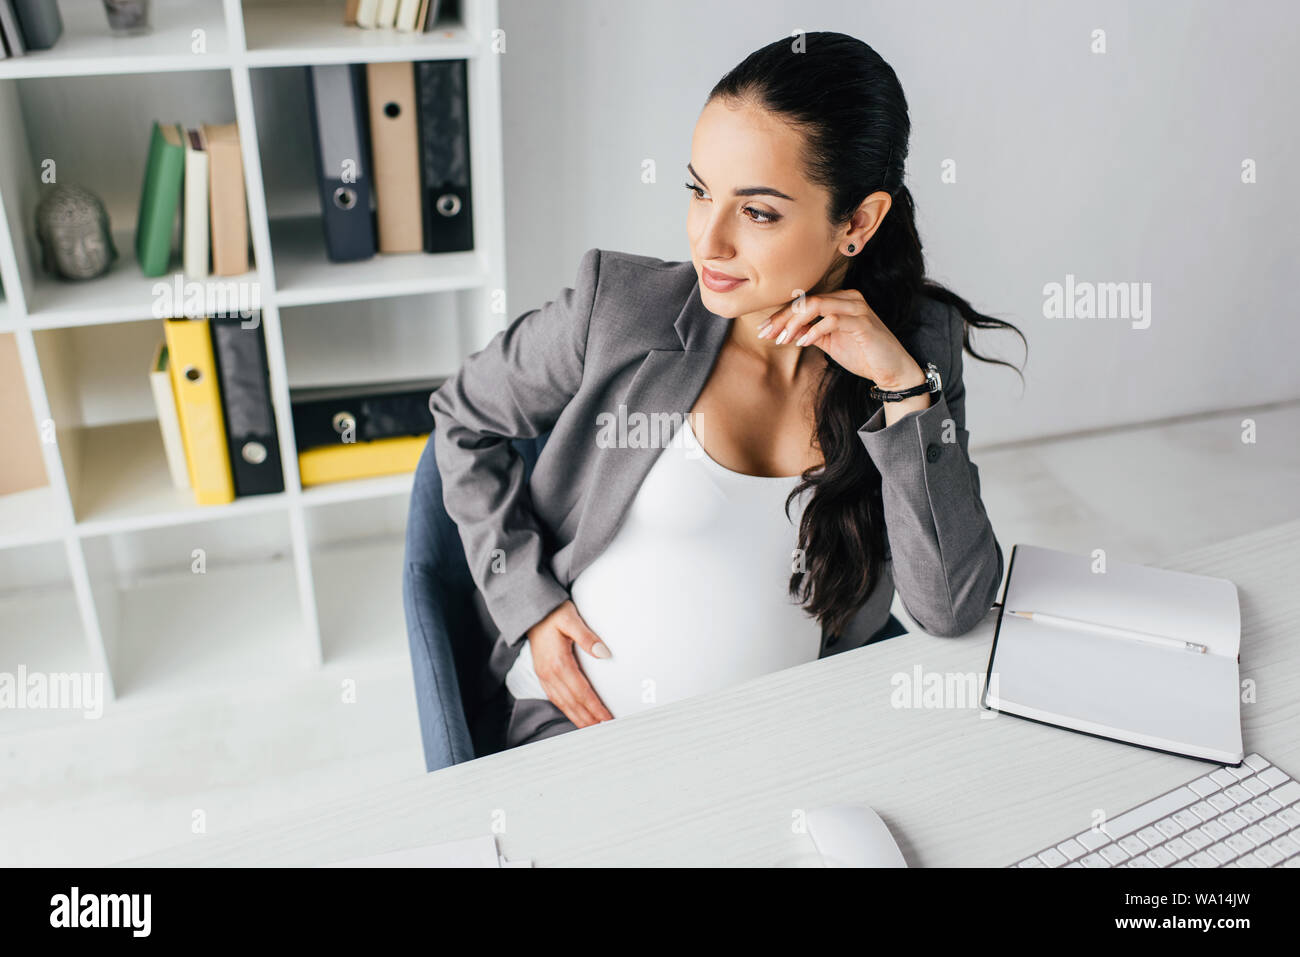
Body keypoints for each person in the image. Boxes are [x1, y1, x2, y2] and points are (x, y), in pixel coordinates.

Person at [429, 31, 1026, 749]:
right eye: (699, 190)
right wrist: (525, 601)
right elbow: (462, 418)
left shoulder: (916, 351)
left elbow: (951, 609)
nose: (707, 241)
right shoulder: (620, 309)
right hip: (581, 740)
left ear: (858, 223)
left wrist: (903, 390)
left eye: (757, 211)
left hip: (786, 749)